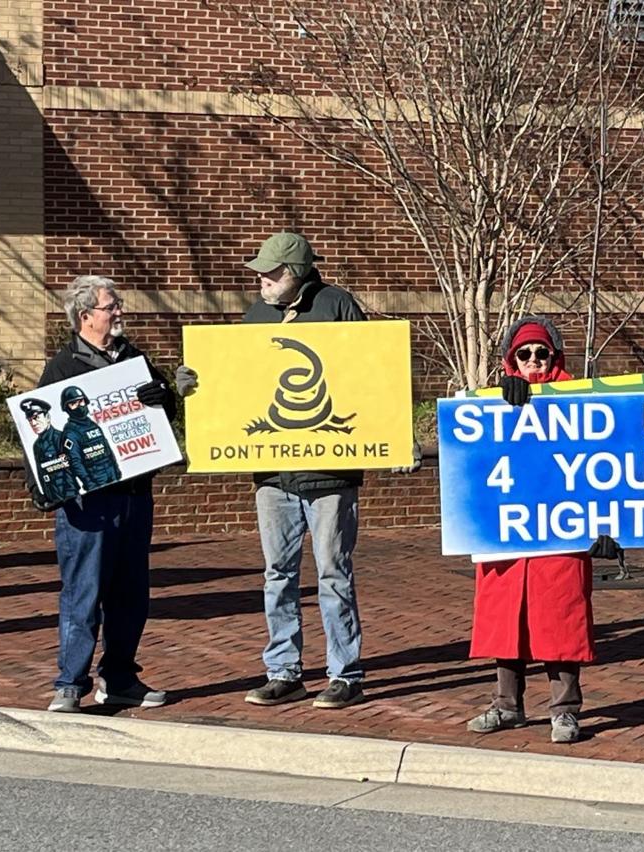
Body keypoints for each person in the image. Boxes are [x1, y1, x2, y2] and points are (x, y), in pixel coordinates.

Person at [175, 232, 418, 710]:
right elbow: (235, 385)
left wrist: (394, 435)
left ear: (298, 272)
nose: (262, 280)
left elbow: (372, 379)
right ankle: (283, 671)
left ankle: (345, 673)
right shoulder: (256, 316)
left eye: (272, 272)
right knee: (277, 575)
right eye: (261, 272)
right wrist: (195, 385)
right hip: (271, 475)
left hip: (329, 475)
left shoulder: (337, 306)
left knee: (333, 573)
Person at [465, 316, 618, 744]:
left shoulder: (580, 401)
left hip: (562, 531)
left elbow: (605, 464)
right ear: (510, 359)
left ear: (555, 357)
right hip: (508, 532)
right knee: (505, 619)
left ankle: (565, 710)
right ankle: (506, 704)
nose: (532, 361)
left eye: (541, 353)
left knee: (561, 619)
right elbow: (471, 465)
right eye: (523, 354)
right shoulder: (487, 406)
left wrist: (607, 524)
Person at [40, 275, 175, 712]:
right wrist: (44, 485)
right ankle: (69, 684)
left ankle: (119, 678)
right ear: (85, 316)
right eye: (110, 306)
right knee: (84, 592)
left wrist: (164, 395)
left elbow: (162, 413)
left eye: (117, 305)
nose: (118, 312)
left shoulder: (135, 358)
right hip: (88, 504)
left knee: (131, 593)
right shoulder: (62, 369)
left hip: (134, 494)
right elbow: (40, 438)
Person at [59, 385, 122, 491]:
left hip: (112, 476)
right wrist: (89, 483)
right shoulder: (70, 432)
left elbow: (107, 448)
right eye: (73, 404)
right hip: (96, 482)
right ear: (67, 408)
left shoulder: (92, 424)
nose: (79, 405)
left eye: (81, 401)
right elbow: (75, 462)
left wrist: (116, 470)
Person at [21, 397, 78, 507]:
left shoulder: (63, 438)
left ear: (47, 417)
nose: (33, 423)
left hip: (80, 494)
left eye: (36, 417)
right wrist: (36, 487)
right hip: (62, 501)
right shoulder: (36, 446)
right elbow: (39, 470)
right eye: (30, 420)